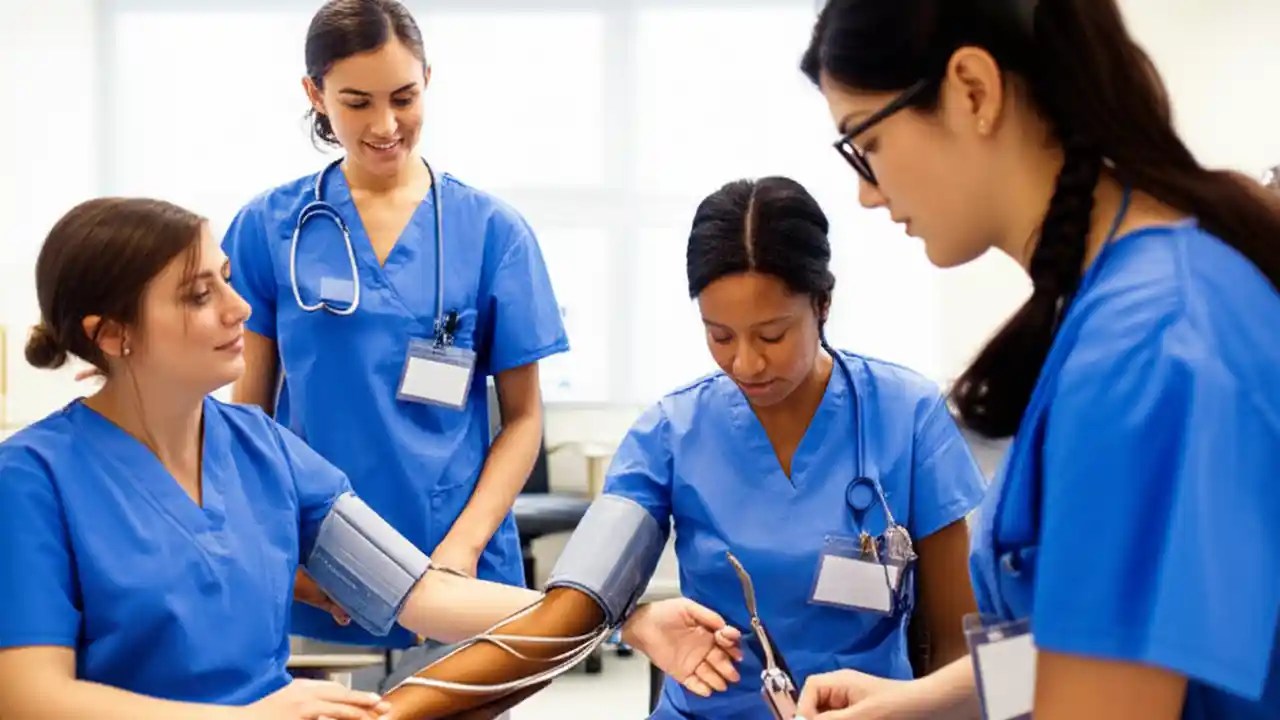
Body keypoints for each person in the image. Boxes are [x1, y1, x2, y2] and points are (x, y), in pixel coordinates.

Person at [0, 197, 742, 719]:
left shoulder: (262, 450)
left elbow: (423, 594)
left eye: (228, 278)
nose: (238, 308)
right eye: (199, 295)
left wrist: (626, 622)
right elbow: (31, 698)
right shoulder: (33, 480)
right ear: (112, 334)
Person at [794, 1, 1280, 718]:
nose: (867, 193)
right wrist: (917, 702)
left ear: (972, 92)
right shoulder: (1146, 299)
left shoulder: (1147, 347)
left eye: (864, 143)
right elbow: (1101, 642)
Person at [222, 0, 568, 656]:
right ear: (314, 95)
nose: (385, 125)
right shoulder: (269, 228)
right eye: (356, 103)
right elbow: (253, 420)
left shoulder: (493, 232)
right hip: (316, 566)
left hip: (458, 562)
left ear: (428, 83)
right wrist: (276, 546)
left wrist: (460, 552)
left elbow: (523, 420)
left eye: (404, 97)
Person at [602, 176, 988, 718]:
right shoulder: (671, 431)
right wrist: (637, 623)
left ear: (823, 304)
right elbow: (583, 595)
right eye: (720, 335)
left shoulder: (908, 415)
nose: (746, 363)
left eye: (772, 335)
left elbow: (958, 641)